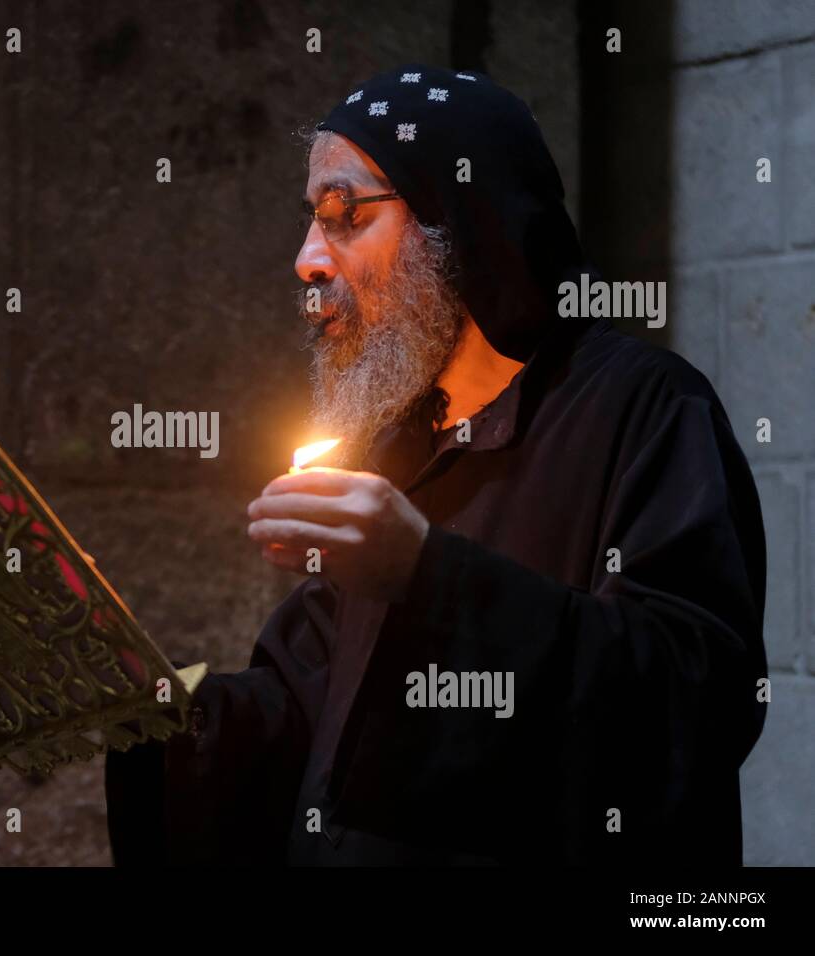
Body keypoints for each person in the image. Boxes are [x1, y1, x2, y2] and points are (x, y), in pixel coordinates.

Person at [103, 63, 768, 865]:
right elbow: (308, 718)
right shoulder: (396, 444)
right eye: (312, 220)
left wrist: (428, 575)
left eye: (344, 215)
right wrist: (150, 710)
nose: (307, 260)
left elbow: (691, 705)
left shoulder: (645, 409)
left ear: (461, 215)